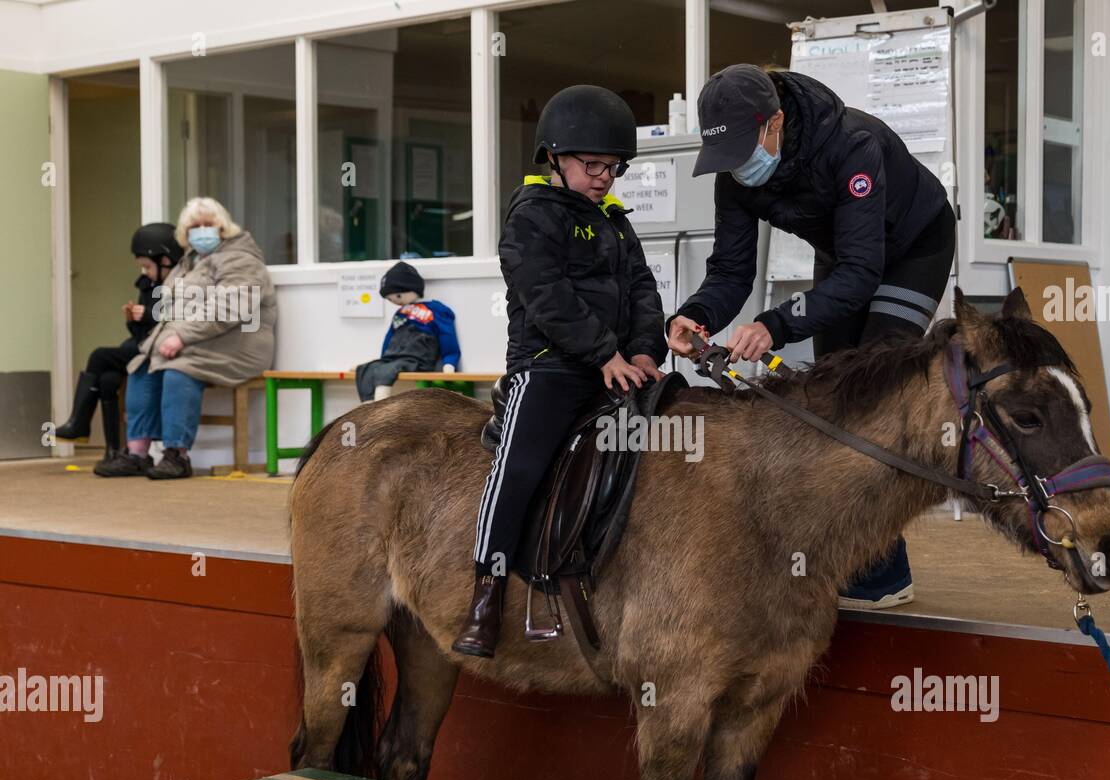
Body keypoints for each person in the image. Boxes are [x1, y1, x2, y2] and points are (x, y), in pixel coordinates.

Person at [665, 64, 957, 611]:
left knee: (875, 399)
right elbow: (731, 271)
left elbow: (863, 274)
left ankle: (882, 578)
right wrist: (696, 315)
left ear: (775, 123)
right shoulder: (737, 173)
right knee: (832, 401)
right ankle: (846, 559)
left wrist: (774, 325)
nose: (738, 171)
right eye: (726, 162)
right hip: (847, 253)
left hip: (914, 246)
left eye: (744, 153)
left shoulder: (853, 146)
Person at [451, 85, 667, 660]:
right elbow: (546, 297)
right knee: (517, 469)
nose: (603, 177)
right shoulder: (531, 216)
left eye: (612, 167)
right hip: (550, 368)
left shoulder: (616, 221)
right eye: (591, 165)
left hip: (621, 366)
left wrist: (647, 350)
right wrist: (603, 354)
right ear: (554, 157)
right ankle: (487, 593)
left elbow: (642, 287)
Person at [95, 196, 277, 480]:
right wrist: (157, 342)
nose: (202, 230)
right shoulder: (188, 262)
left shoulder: (242, 260)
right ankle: (137, 453)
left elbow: (229, 309)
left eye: (209, 224)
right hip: (199, 341)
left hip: (238, 344)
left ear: (223, 227)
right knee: (142, 365)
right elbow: (168, 309)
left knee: (179, 371)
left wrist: (180, 336)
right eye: (195, 226)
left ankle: (177, 455)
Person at [55, 223, 181, 468]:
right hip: (142, 342)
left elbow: (174, 321)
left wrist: (146, 316)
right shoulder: (148, 284)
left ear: (166, 260)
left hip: (158, 348)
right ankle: (113, 451)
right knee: (108, 379)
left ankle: (79, 422)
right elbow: (142, 330)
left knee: (99, 356)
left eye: (147, 266)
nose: (144, 272)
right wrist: (133, 319)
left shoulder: (180, 284)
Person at [355, 261, 460, 402]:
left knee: (386, 370)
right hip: (394, 358)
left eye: (397, 296)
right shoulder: (400, 313)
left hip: (418, 360)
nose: (395, 301)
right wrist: (383, 359)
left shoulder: (436, 310)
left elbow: (447, 336)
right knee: (366, 369)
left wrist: (450, 361)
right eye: (390, 299)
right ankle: (367, 409)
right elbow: (389, 337)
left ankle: (379, 411)